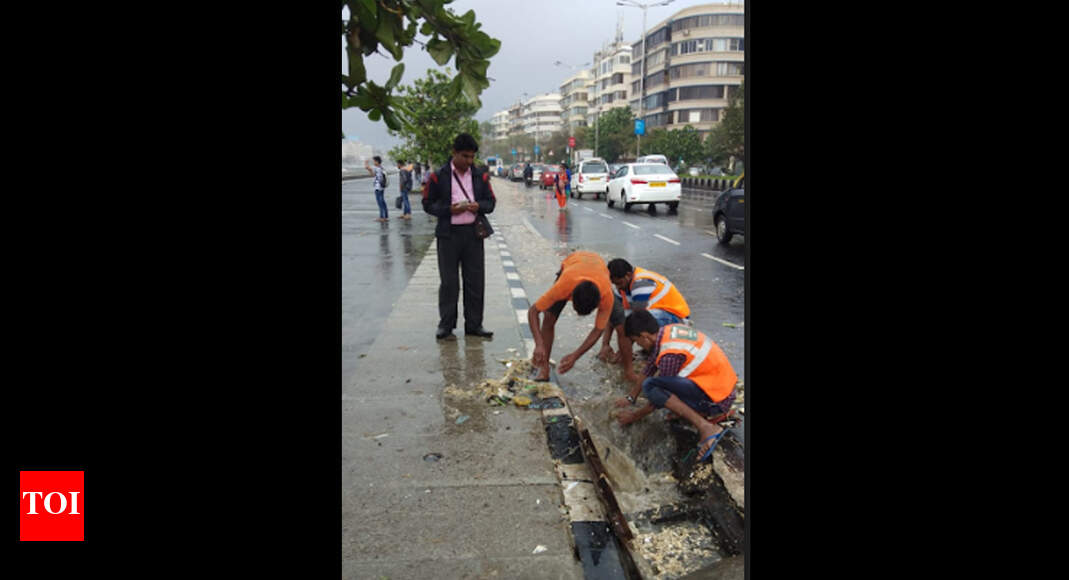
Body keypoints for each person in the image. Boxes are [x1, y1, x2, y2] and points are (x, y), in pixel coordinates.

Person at [614, 310, 738, 462]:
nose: (638, 345)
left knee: (651, 387)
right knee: (656, 384)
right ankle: (697, 412)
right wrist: (631, 397)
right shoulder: (667, 331)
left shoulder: (669, 354)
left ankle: (705, 426)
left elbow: (659, 397)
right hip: (724, 388)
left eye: (637, 341)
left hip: (717, 399)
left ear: (644, 336)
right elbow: (650, 367)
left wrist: (634, 416)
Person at [422, 134, 496, 340]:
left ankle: (474, 325)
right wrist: (448, 210)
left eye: (472, 157)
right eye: (465, 156)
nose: (469, 162)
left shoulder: (480, 175)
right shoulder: (438, 176)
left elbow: (491, 202)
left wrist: (478, 206)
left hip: (473, 235)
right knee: (449, 283)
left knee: (475, 281)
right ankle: (446, 326)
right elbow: (427, 203)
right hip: (448, 235)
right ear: (454, 153)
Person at [527, 251, 625, 381]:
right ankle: (544, 369)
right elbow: (533, 312)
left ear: (598, 303)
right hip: (573, 264)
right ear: (570, 296)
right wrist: (539, 344)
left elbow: (598, 330)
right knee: (549, 318)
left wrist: (575, 356)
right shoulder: (563, 286)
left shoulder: (606, 296)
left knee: (620, 320)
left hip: (597, 269)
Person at [607, 259, 691, 327]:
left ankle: (653, 346)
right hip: (661, 314)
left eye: (619, 283)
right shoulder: (624, 286)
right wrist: (605, 344)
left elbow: (638, 316)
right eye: (615, 284)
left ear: (628, 275)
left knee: (636, 322)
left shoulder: (640, 283)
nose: (618, 287)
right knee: (620, 318)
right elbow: (614, 315)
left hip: (676, 317)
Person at [365, 156, 389, 222]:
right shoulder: (381, 168)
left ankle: (382, 217)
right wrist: (369, 170)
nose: (373, 162)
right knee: (383, 202)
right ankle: (385, 216)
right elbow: (373, 175)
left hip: (378, 187)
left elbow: (367, 167)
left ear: (377, 161)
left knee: (380, 202)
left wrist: (366, 163)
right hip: (382, 187)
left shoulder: (376, 168)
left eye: (374, 161)